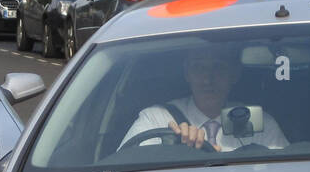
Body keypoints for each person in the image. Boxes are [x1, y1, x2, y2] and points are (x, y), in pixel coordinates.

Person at [119, 49, 289, 151]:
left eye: (219, 68)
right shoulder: (157, 119)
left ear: (234, 74)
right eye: (199, 68)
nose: (208, 79)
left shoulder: (259, 124)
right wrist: (174, 152)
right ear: (187, 74)